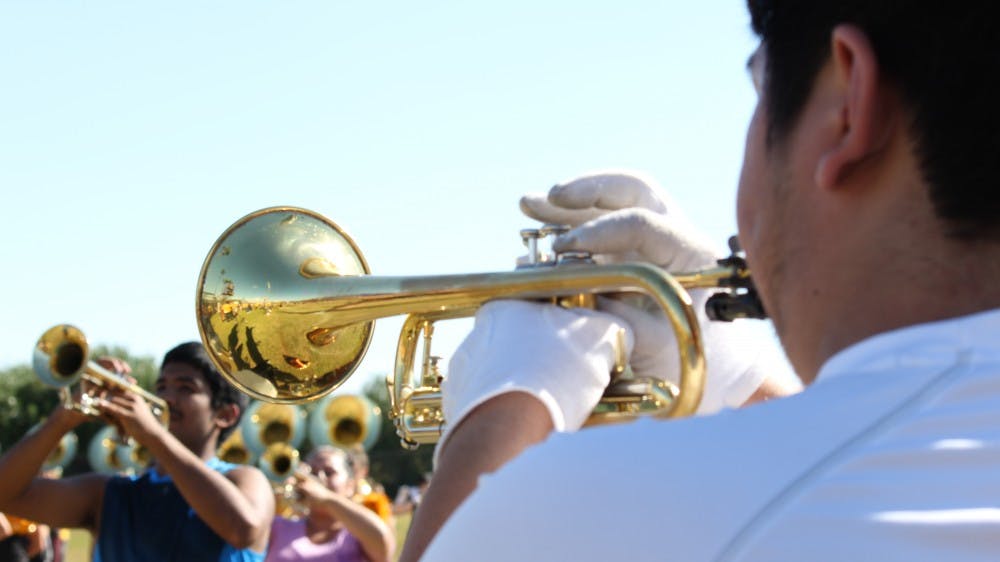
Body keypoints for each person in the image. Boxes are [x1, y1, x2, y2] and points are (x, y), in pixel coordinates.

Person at [400, 1, 1000, 560]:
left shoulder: (573, 503)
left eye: (759, 87)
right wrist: (737, 377)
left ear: (847, 104)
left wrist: (503, 410)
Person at [0, 343, 275, 562]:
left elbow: (243, 529)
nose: (167, 397)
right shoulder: (110, 493)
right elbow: (7, 495)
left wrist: (154, 436)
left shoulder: (245, 480)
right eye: (161, 387)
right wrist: (65, 417)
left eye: (185, 388)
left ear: (226, 415)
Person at [265, 445, 395, 562]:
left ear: (350, 485)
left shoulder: (357, 533)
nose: (319, 478)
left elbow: (383, 544)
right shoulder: (279, 527)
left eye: (329, 472)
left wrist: (326, 498)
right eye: (312, 472)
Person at [345, 446, 393, 525]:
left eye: (353, 471)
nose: (349, 476)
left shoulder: (375, 496)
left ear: (365, 471)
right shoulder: (339, 493)